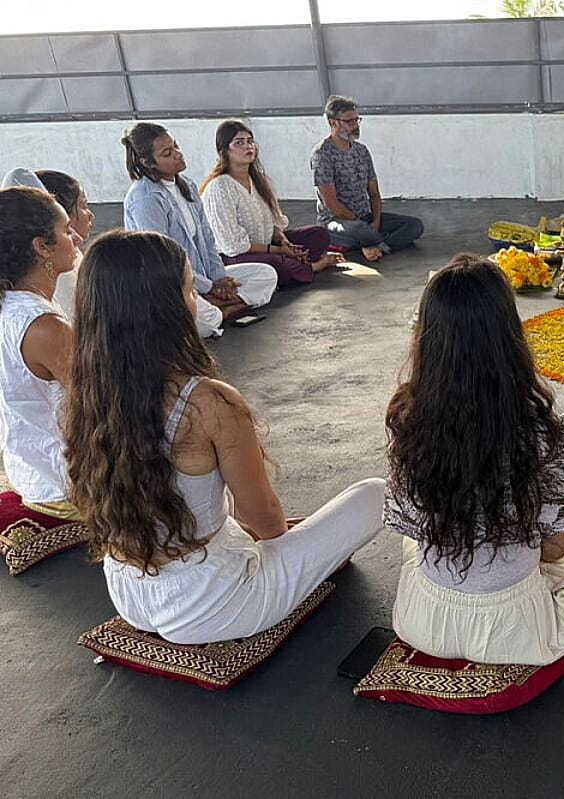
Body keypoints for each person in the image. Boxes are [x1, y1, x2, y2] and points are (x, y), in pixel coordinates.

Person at [63, 230, 385, 645]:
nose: (196, 297)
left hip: (129, 592)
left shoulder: (85, 391)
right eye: (188, 288)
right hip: (214, 603)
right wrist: (302, 546)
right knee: (375, 495)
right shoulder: (208, 401)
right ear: (169, 308)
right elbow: (266, 522)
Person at [385, 254, 564, 665]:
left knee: (417, 543)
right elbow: (557, 549)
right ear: (510, 335)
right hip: (518, 633)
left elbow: (416, 528)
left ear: (426, 338)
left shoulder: (406, 416)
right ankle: (560, 599)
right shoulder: (543, 429)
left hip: (420, 621)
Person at [121, 122, 278, 338]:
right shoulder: (145, 198)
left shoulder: (187, 185)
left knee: (265, 275)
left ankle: (217, 309)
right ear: (148, 163)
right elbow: (165, 260)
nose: (178, 154)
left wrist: (220, 278)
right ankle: (222, 309)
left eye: (175, 146)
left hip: (204, 279)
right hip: (173, 284)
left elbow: (207, 237)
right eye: (168, 153)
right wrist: (208, 287)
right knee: (204, 319)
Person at [0, 186, 79, 517]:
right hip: (62, 480)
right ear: (42, 247)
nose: (74, 237)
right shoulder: (43, 326)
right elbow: (103, 402)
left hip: (30, 468)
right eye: (65, 230)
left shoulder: (17, 302)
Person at [200, 119, 342, 287]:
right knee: (277, 264)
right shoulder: (220, 187)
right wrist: (280, 251)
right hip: (236, 256)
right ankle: (314, 266)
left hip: (268, 246)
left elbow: (274, 223)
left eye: (250, 141)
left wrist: (285, 243)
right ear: (224, 151)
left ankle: (294, 264)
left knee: (319, 234)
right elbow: (232, 245)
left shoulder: (261, 180)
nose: (248, 146)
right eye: (239, 143)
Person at [311, 95, 423, 263]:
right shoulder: (322, 154)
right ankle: (372, 241)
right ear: (333, 123)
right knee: (360, 230)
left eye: (357, 120)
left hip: (366, 217)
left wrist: (376, 220)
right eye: (350, 122)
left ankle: (376, 246)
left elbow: (374, 194)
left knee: (415, 226)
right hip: (337, 222)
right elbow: (332, 205)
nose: (355, 126)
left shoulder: (361, 151)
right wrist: (361, 225)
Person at [1, 168, 90, 318]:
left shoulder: (15, 301)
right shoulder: (47, 324)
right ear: (42, 246)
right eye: (68, 231)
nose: (78, 239)